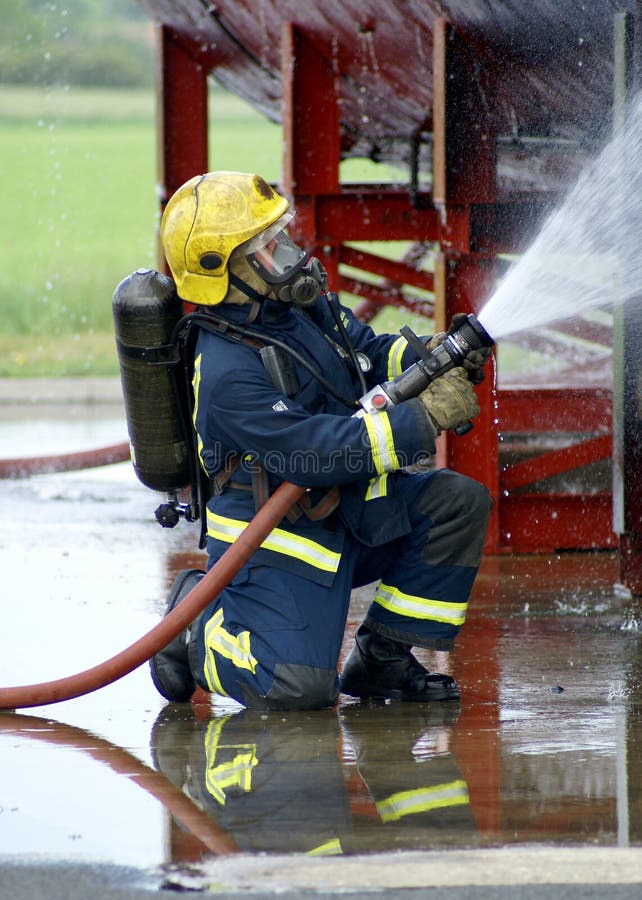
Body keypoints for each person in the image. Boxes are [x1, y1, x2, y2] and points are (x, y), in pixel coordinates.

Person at [150, 170, 492, 710]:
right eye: (266, 245)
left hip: (345, 510)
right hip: (276, 540)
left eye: (280, 235)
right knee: (300, 690)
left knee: (457, 504)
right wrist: (421, 418)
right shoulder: (224, 372)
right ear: (226, 270)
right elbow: (313, 452)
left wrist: (434, 354)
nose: (285, 251)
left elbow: (365, 354)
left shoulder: (297, 308)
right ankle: (198, 631)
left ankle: (381, 661)